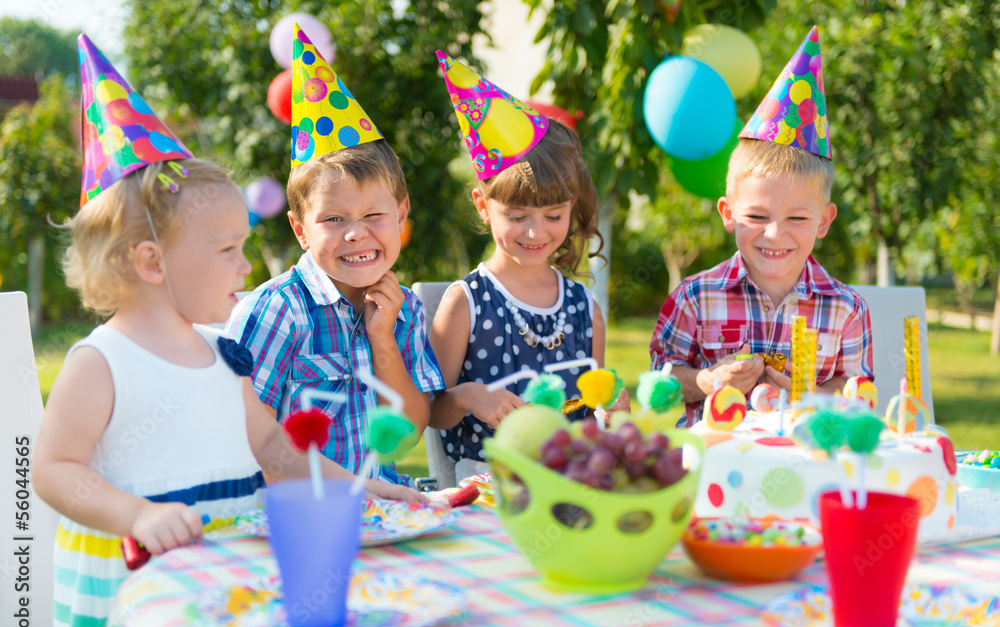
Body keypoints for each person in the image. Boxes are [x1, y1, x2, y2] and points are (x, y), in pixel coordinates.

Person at [32, 35, 416, 627]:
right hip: (130, 598)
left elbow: (275, 449)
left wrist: (360, 489)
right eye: (227, 251)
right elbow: (53, 471)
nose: (245, 264)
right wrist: (135, 515)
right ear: (152, 261)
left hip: (223, 588)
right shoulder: (100, 364)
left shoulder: (223, 351)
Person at [226, 26, 444, 486]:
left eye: (374, 215)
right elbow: (246, 444)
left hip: (384, 508)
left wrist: (382, 338)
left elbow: (405, 438)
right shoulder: (275, 313)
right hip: (297, 513)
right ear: (300, 230)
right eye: (334, 219)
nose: (357, 234)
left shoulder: (403, 310)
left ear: (402, 214)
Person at [650, 26, 874, 427]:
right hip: (715, 469)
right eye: (756, 216)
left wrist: (809, 396)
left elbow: (856, 391)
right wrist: (707, 380)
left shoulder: (846, 309)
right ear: (728, 212)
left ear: (823, 221)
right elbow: (659, 384)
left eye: (797, 218)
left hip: (807, 467)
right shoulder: (694, 298)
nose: (774, 234)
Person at [428, 52, 626, 481]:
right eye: (517, 216)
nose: (535, 233)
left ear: (572, 208)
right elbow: (431, 411)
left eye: (553, 216)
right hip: (489, 487)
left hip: (572, 483)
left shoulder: (582, 308)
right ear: (483, 205)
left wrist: (615, 409)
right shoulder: (466, 303)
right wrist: (465, 396)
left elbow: (592, 413)